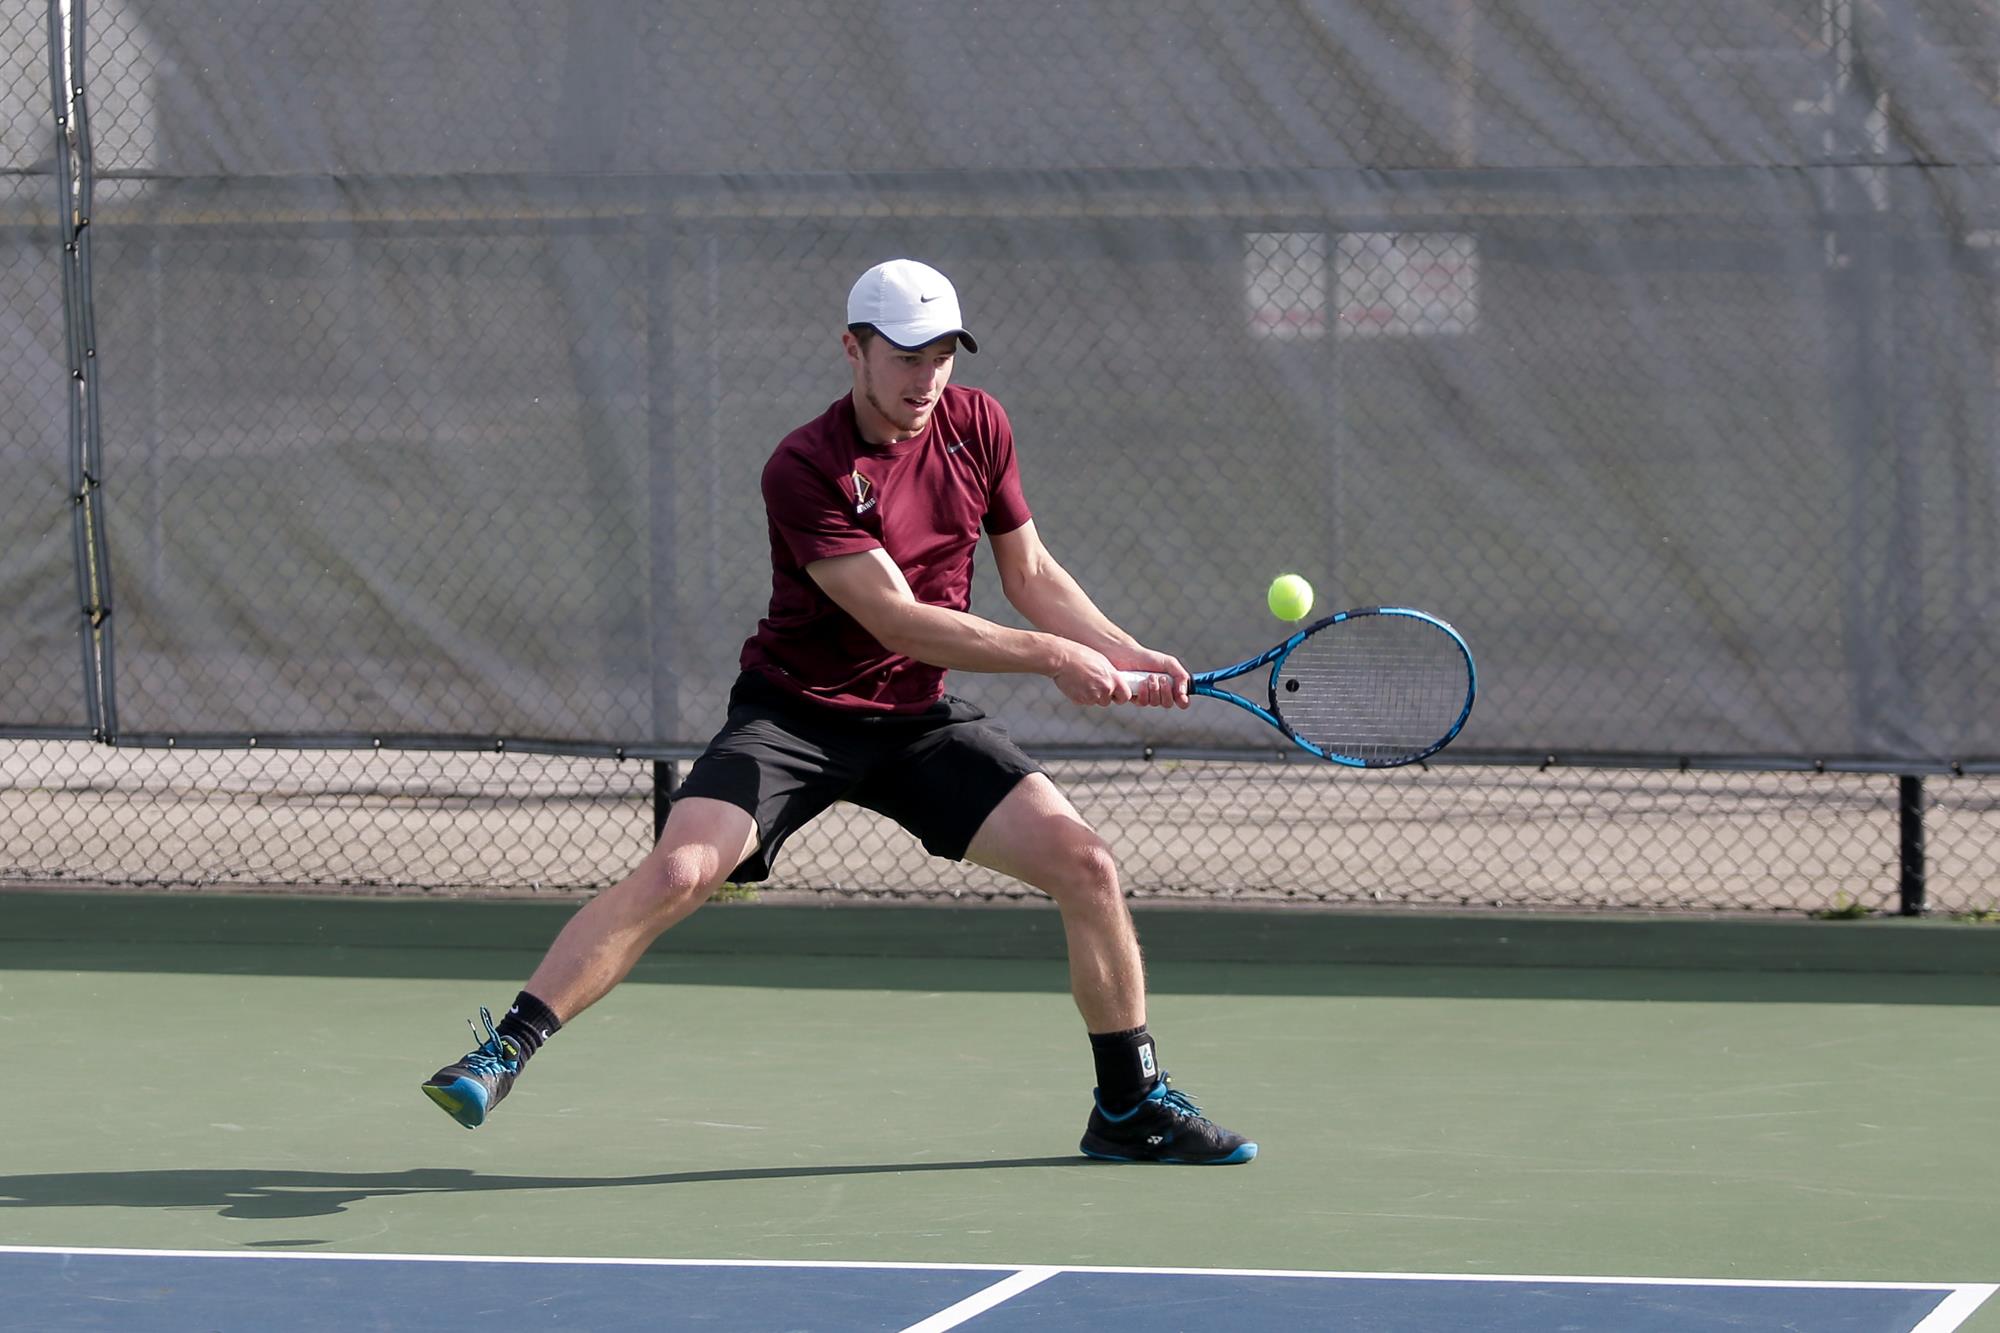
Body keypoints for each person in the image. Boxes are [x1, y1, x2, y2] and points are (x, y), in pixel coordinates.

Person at [422, 259, 1256, 1165]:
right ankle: (504, 1048)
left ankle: (1129, 1108)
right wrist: (1057, 657)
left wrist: (1125, 653)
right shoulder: (805, 466)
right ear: (852, 350)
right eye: (905, 355)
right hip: (795, 717)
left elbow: (1032, 575)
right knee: (680, 872)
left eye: (943, 352)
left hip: (917, 721)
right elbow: (898, 617)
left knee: (1086, 863)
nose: (927, 376)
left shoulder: (978, 425)